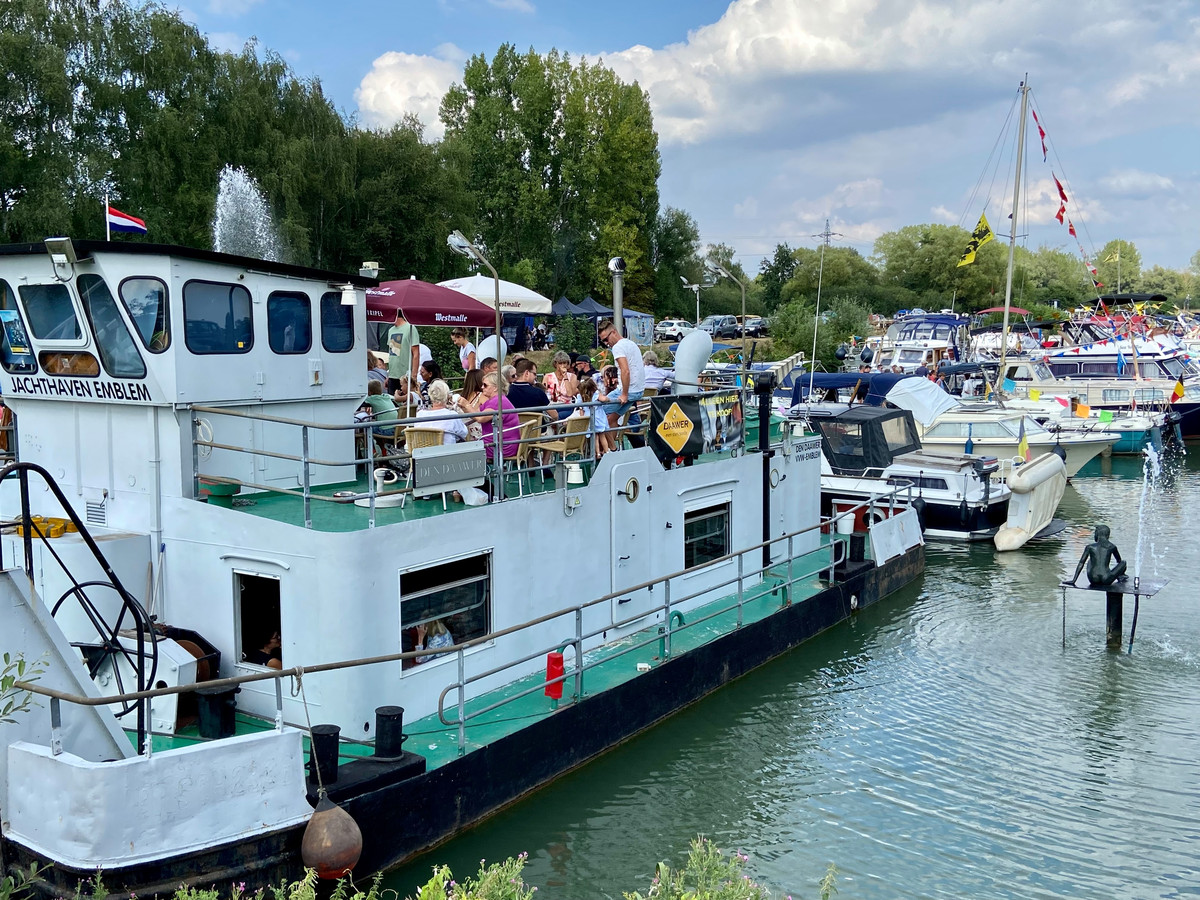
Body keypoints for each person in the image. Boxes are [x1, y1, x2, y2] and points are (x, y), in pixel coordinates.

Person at [597, 319, 645, 433]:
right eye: (603, 341)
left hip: (628, 391)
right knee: (611, 419)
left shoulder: (617, 347)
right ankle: (612, 448)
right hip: (638, 391)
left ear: (613, 332)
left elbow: (625, 371)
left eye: (606, 339)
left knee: (595, 412)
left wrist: (624, 394)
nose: (605, 343)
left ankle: (600, 448)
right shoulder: (631, 343)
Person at [472, 372, 521, 462]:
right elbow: (475, 413)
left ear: (495, 387)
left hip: (502, 447)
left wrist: (465, 404)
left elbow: (480, 418)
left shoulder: (498, 401)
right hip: (500, 443)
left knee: (465, 449)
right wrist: (465, 405)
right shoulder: (495, 400)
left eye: (485, 385)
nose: (482, 387)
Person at [417, 380, 469, 444]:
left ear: (430, 395)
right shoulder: (452, 415)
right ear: (446, 396)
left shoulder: (420, 415)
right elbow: (464, 433)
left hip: (424, 452)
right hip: (448, 452)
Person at [576, 376, 613, 457]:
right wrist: (608, 399)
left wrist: (583, 419)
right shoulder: (596, 394)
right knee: (602, 435)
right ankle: (607, 451)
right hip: (598, 417)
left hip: (588, 418)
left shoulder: (580, 397)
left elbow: (581, 410)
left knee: (595, 437)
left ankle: (597, 453)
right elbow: (604, 399)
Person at [386, 309, 420, 396]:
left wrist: (414, 375)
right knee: (392, 401)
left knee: (405, 403)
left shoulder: (410, 328)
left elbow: (416, 353)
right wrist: (388, 375)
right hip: (392, 375)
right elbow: (392, 353)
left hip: (405, 375)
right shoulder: (391, 330)